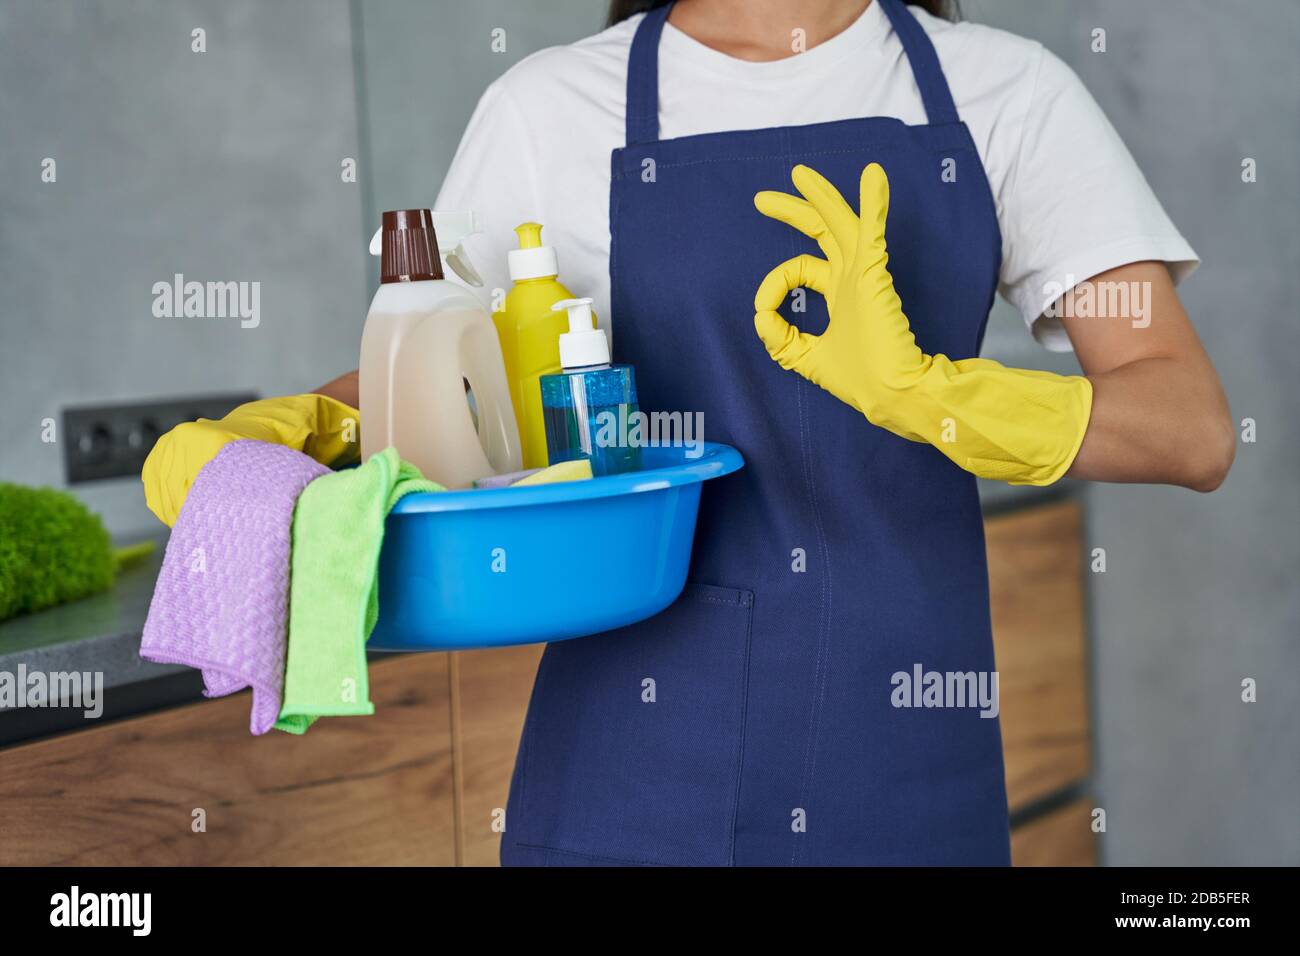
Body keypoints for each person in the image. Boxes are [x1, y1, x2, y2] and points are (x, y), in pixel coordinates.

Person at [149, 0, 1233, 865]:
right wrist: (292, 431)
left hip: (907, 747)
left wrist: (931, 390)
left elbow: (1186, 427)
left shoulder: (1005, 92)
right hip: (637, 767)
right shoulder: (550, 107)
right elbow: (443, 373)